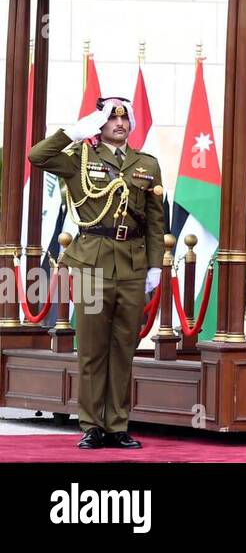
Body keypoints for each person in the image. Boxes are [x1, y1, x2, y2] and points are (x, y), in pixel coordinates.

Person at [28, 97, 166, 449]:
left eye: (124, 118)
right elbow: (37, 156)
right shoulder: (79, 158)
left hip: (132, 264)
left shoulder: (146, 164)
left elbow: (154, 219)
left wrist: (154, 264)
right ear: (99, 124)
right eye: (111, 118)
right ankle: (91, 425)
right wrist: (73, 132)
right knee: (91, 348)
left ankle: (117, 425)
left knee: (124, 348)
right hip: (91, 263)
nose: (119, 123)